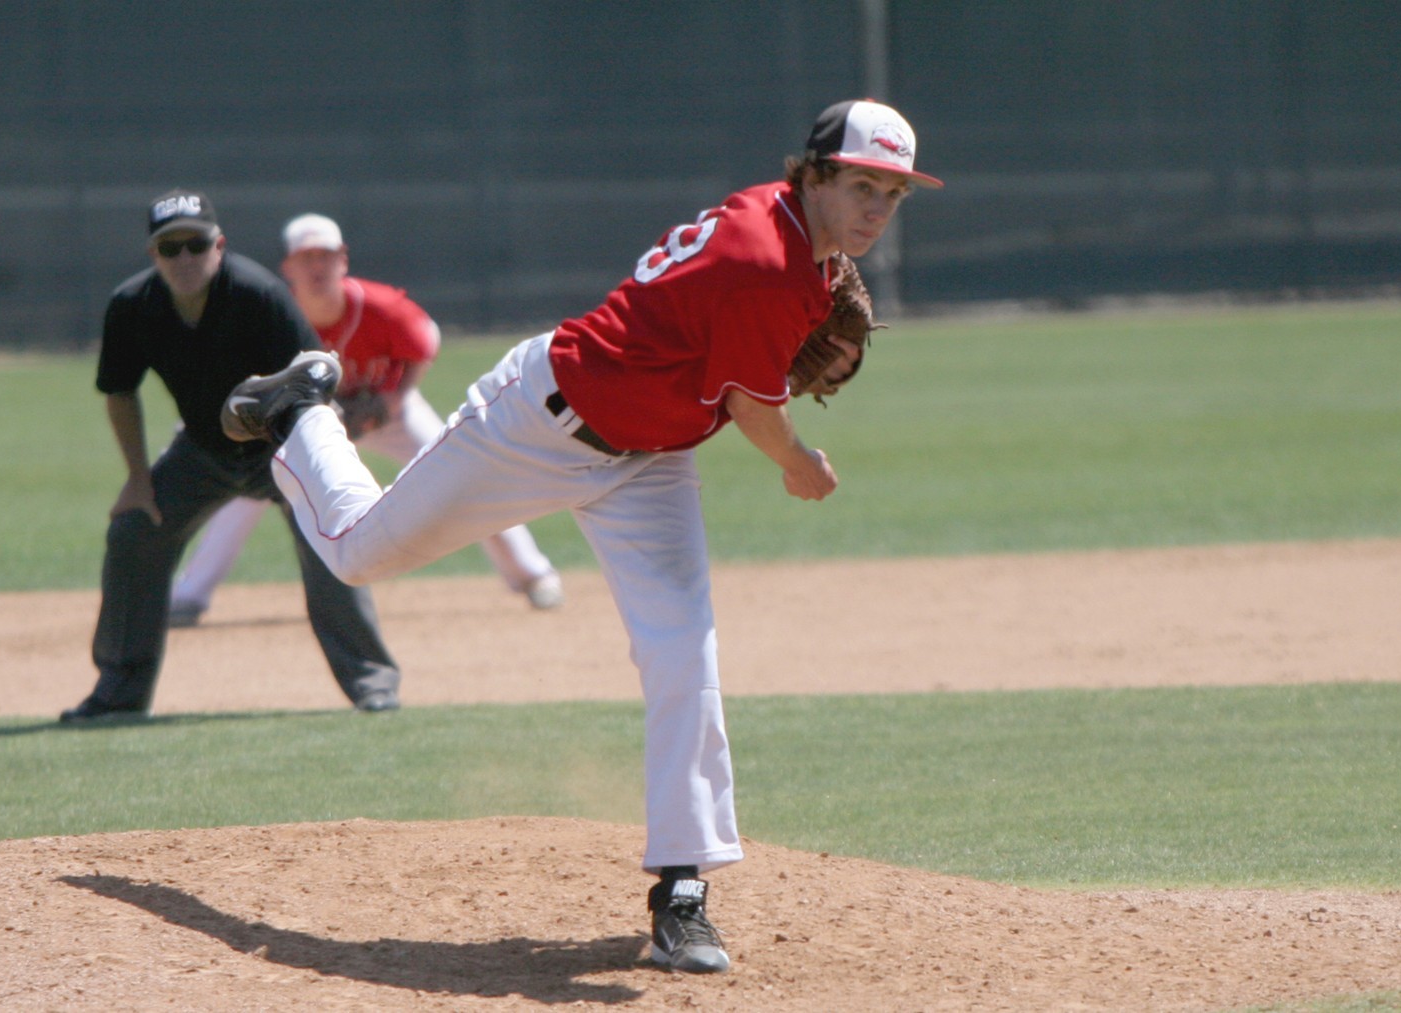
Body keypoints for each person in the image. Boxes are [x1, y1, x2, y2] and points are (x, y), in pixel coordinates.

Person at [221, 100, 941, 972]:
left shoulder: (793, 244)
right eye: (861, 184)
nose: (876, 208)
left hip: (653, 457)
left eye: (893, 194)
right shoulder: (768, 262)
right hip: (537, 423)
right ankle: (301, 409)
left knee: (684, 651)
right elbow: (756, 405)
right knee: (359, 552)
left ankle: (683, 891)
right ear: (814, 173)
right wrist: (800, 465)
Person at [60, 190, 405, 722]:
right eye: (168, 247)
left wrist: (324, 458)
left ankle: (371, 682)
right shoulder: (132, 306)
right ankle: (118, 693)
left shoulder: (258, 294)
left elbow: (315, 376)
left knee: (332, 542)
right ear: (153, 255)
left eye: (195, 244)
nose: (184, 258)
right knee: (134, 530)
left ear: (218, 245)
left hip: (283, 450)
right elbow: (119, 391)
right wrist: (136, 477)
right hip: (202, 451)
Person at [167, 214, 564, 627]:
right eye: (306, 258)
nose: (317, 266)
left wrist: (394, 399)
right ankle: (190, 596)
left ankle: (533, 574)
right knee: (246, 493)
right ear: (289, 268)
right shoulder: (272, 315)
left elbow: (424, 342)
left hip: (388, 417)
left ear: (343, 260)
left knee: (461, 470)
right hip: (306, 422)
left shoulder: (381, 307)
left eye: (325, 255)